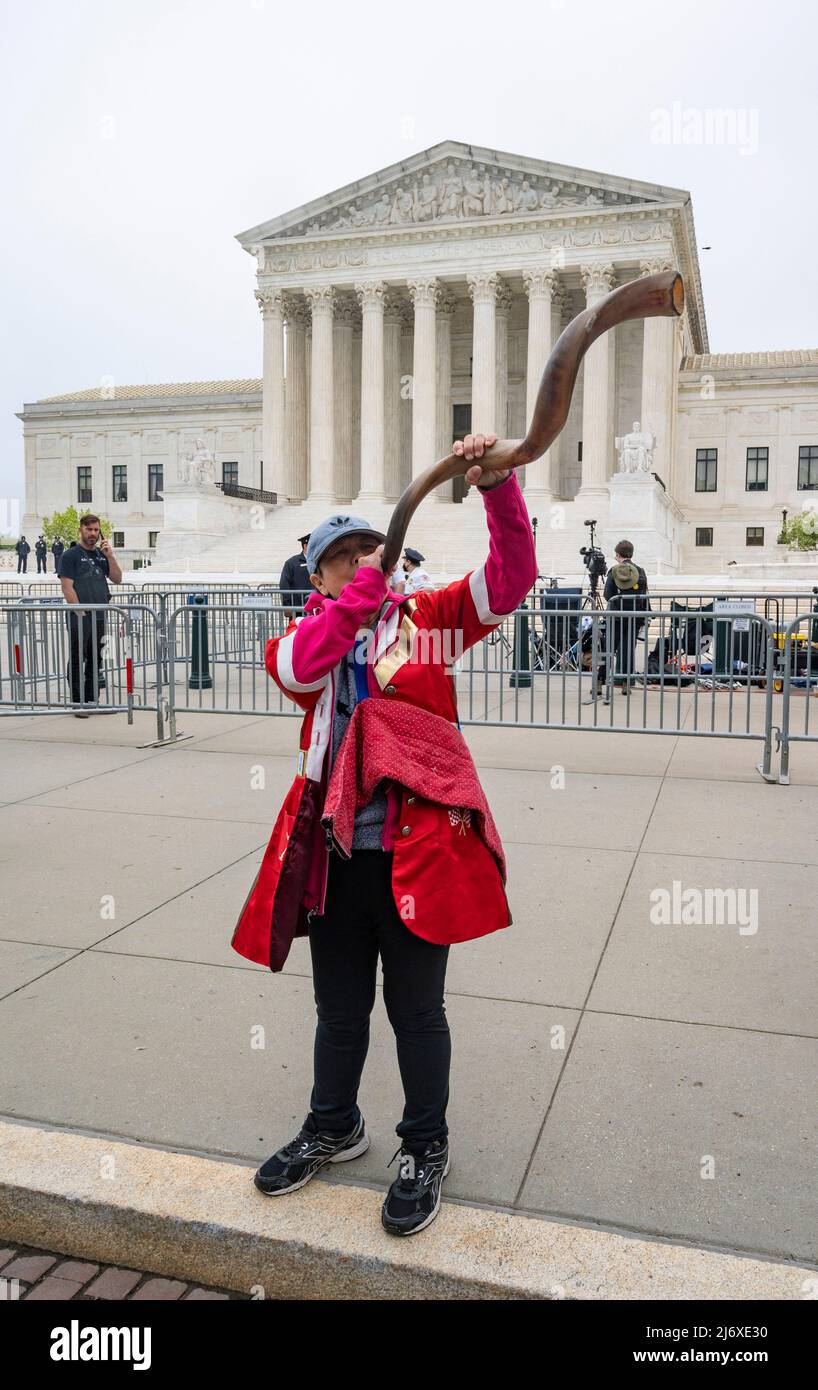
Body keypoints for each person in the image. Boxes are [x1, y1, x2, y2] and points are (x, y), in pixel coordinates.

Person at [232, 433, 537, 1237]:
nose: (369, 557)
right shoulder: (303, 641)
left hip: (417, 855)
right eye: (348, 553)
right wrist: (359, 602)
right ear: (320, 572)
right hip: (337, 860)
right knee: (339, 1013)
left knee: (417, 1013)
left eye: (377, 546)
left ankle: (424, 1145)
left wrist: (499, 489)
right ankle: (334, 1124)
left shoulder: (429, 623)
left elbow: (511, 582)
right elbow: (302, 669)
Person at [58, 515, 123, 716]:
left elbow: (117, 579)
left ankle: (92, 699)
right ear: (81, 530)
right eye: (89, 530)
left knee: (96, 658)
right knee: (78, 658)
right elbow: (66, 586)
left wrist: (110, 556)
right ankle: (78, 702)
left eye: (96, 530)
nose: (93, 534)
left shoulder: (101, 555)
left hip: (100, 614)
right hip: (80, 615)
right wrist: (78, 611)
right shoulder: (70, 555)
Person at [584, 539, 649, 703]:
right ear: (631, 554)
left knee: (608, 650)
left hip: (615, 617)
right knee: (628, 650)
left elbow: (607, 595)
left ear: (618, 555)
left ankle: (599, 683)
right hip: (634, 617)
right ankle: (627, 683)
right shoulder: (640, 571)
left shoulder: (613, 571)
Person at [278, 533, 312, 620]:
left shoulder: (319, 561)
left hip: (316, 607)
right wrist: (287, 605)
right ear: (305, 546)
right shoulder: (292, 563)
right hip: (297, 609)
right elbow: (284, 584)